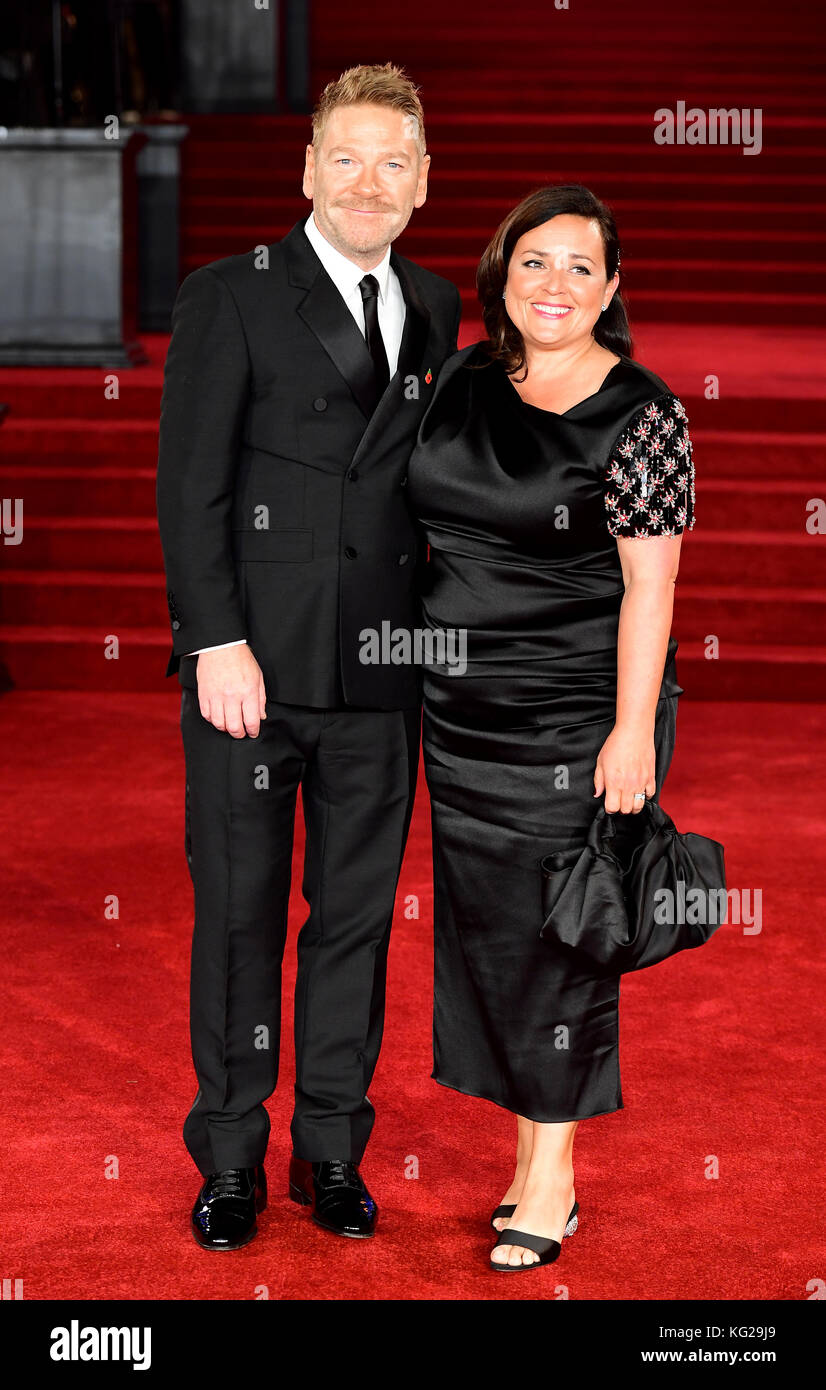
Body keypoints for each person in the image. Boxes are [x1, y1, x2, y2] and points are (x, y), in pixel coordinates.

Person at [156, 63, 461, 1251]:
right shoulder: (230, 295)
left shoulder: (435, 302)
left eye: (394, 160)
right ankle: (230, 1152)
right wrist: (214, 641)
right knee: (238, 916)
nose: (368, 180)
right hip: (252, 674)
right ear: (307, 170)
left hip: (382, 677)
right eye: (347, 156)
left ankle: (330, 1147)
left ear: (423, 182)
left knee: (354, 920)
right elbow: (192, 488)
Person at [406, 184, 696, 1272]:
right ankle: (528, 1159)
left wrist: (631, 731)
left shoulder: (644, 413)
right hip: (456, 712)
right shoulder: (464, 382)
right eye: (535, 262)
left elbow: (651, 593)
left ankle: (555, 1176)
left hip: (576, 715)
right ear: (501, 276)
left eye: (580, 267)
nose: (555, 285)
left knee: (564, 937)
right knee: (493, 939)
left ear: (612, 288)